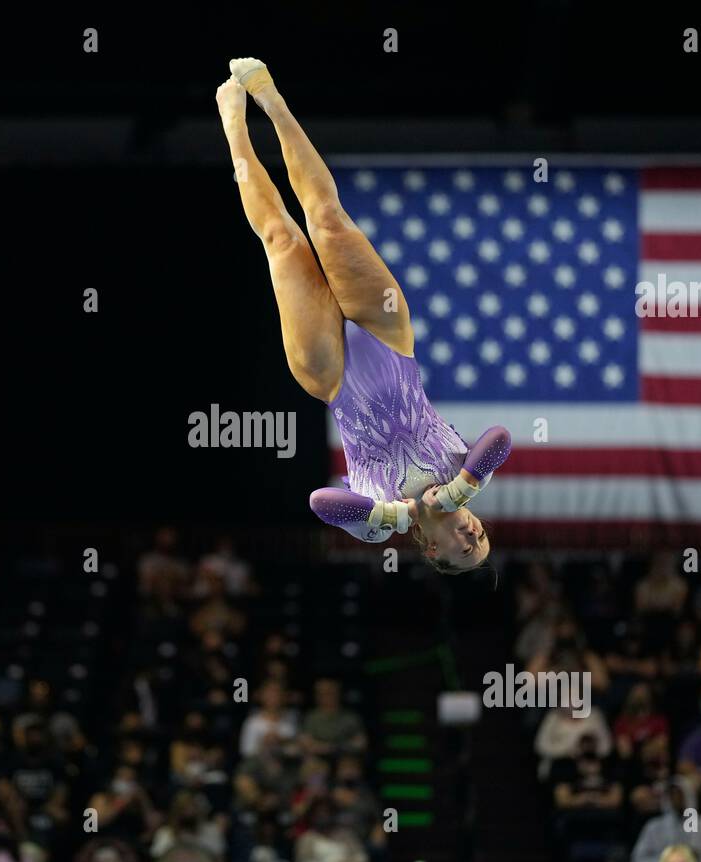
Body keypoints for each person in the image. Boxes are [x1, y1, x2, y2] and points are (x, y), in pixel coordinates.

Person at [217, 59, 509, 570]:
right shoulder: (466, 474)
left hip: (329, 377)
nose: (473, 535)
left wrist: (393, 515)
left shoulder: (376, 528)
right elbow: (500, 439)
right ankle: (271, 100)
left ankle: (234, 124)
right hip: (390, 339)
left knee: (283, 240)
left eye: (466, 550)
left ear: (433, 549)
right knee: (328, 220)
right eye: (481, 539)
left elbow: (320, 501)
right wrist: (463, 486)